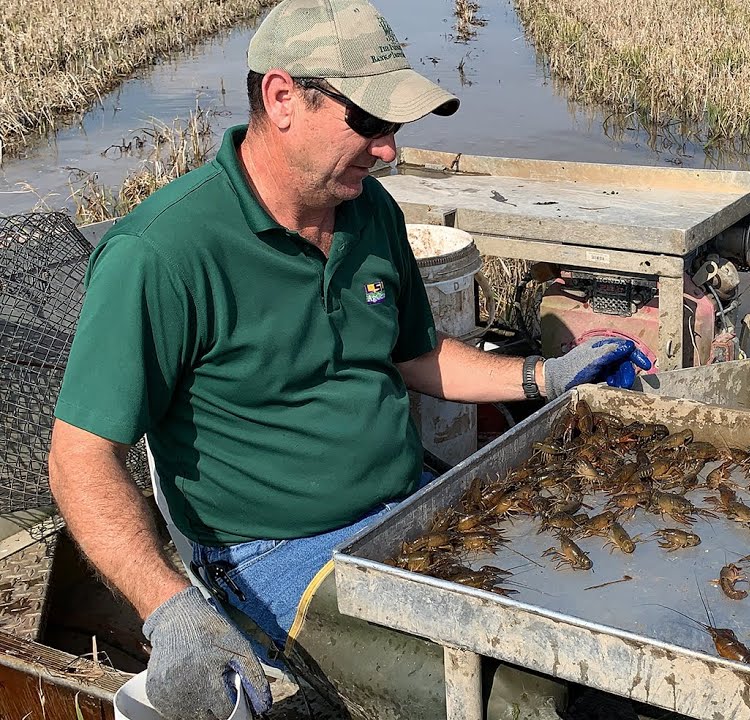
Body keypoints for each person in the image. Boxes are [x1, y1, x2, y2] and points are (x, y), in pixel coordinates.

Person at [45, 0, 651, 717]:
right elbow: (79, 457)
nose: (388, 148)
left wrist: (540, 376)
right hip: (275, 554)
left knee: (596, 607)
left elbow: (416, 356)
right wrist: (168, 610)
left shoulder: (369, 211)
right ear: (281, 99)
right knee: (503, 699)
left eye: (393, 126)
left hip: (407, 507)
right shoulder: (161, 254)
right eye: (368, 122)